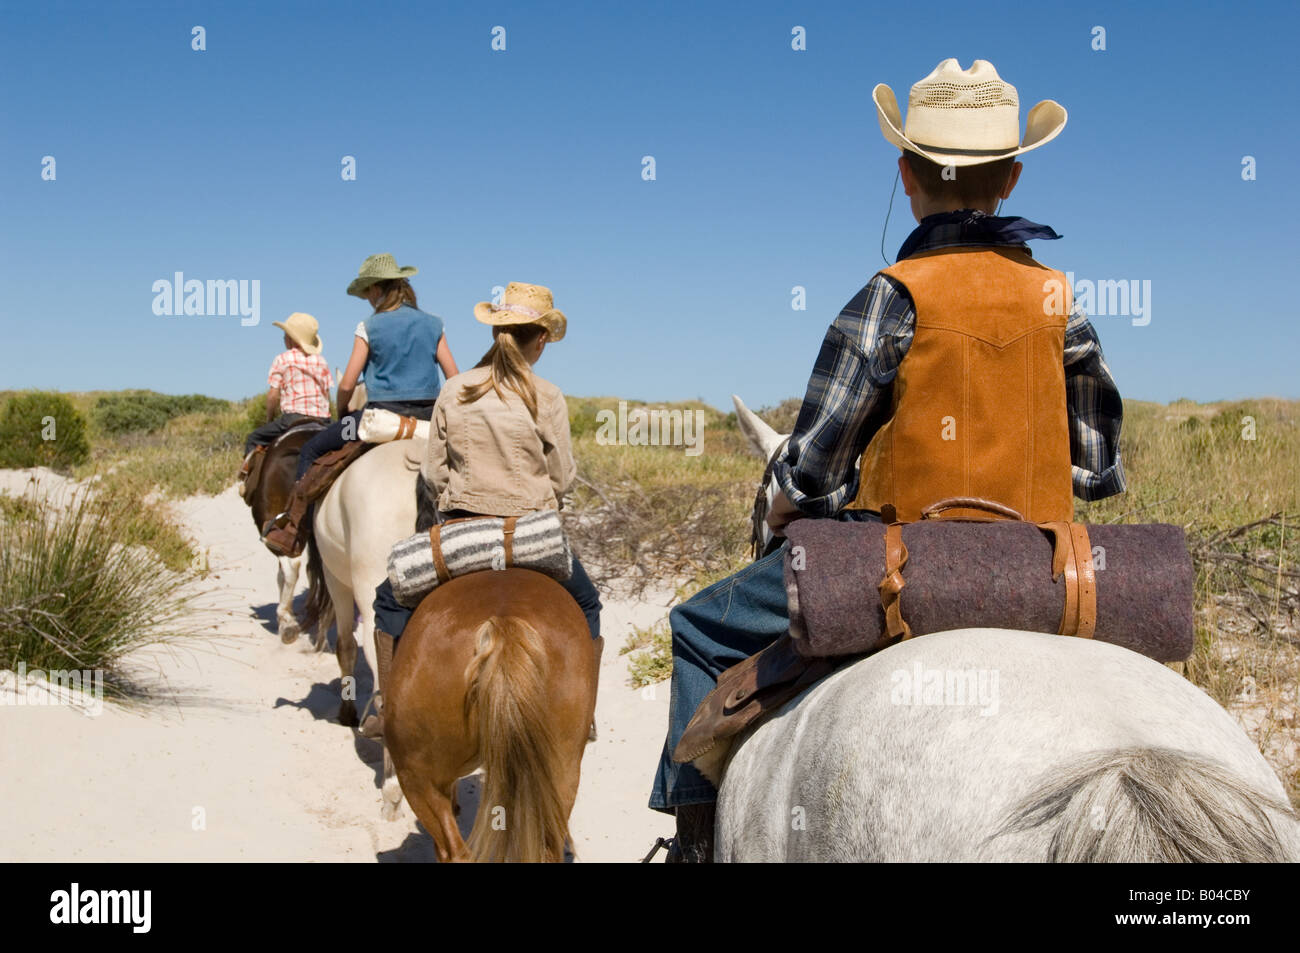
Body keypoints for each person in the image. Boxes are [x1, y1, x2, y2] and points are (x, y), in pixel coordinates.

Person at [650, 58, 1128, 861]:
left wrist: (788, 504)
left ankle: (694, 839)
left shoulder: (892, 292)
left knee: (699, 627)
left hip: (905, 557)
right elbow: (1097, 464)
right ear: (1010, 179)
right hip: (1049, 567)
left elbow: (813, 467)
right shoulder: (1059, 299)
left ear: (906, 175)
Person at [367, 282, 603, 739]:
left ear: (497, 333)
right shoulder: (548, 395)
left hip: (461, 535)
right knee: (588, 603)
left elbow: (434, 474)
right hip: (533, 535)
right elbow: (562, 478)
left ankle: (389, 708)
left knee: (387, 599)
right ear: (540, 340)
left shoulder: (455, 390)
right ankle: (584, 713)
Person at [263, 253, 459, 556]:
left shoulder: (369, 326)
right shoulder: (434, 324)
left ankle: (295, 530)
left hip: (379, 418)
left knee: (311, 450)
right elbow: (454, 377)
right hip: (428, 419)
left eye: (367, 292)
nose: (367, 299)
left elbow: (346, 383)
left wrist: (344, 415)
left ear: (377, 289)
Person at [242, 312, 332, 457]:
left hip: (293, 419)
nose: (283, 338)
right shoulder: (322, 361)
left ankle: (244, 478)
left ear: (291, 339)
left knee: (253, 438)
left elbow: (273, 395)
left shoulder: (283, 359)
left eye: (285, 335)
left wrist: (269, 419)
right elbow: (326, 394)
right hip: (322, 420)